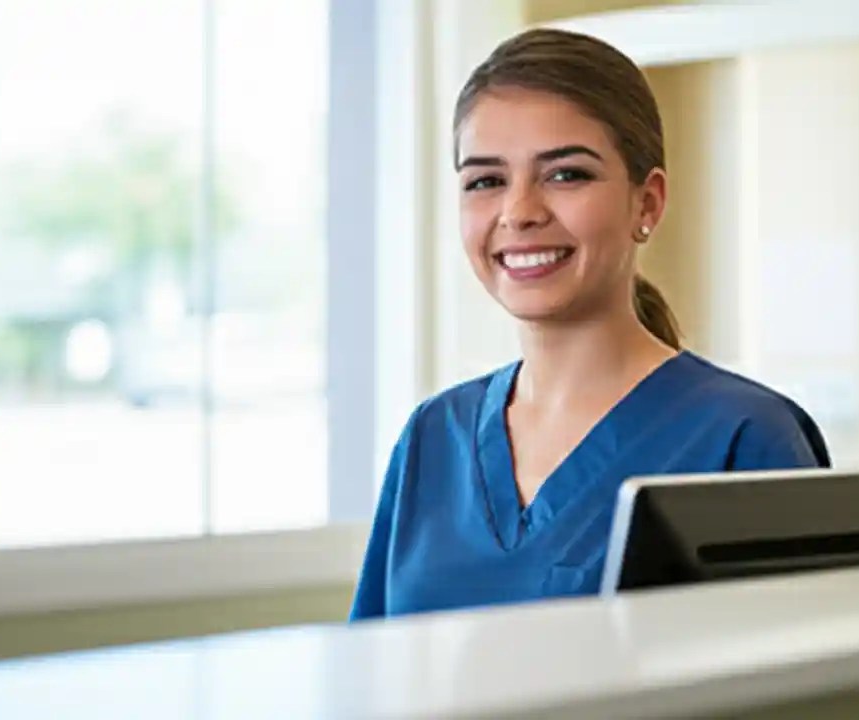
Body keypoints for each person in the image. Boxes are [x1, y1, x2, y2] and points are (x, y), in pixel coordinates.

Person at [349, 28, 830, 620]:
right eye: (486, 181)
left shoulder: (745, 436)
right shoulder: (432, 436)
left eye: (565, 174)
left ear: (646, 203)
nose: (519, 212)